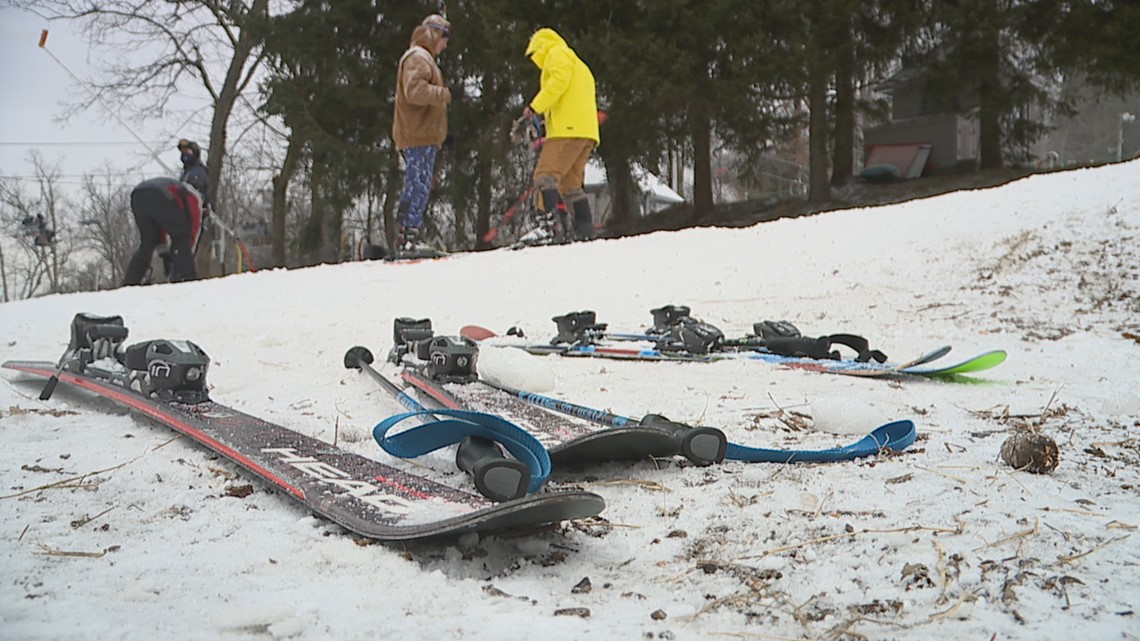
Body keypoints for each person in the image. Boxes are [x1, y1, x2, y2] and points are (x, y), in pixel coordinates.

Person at [523, 28, 600, 241]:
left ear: (539, 49)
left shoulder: (557, 54)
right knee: (570, 184)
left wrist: (534, 107)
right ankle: (583, 229)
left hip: (568, 130)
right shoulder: (576, 61)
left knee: (544, 176)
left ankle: (549, 227)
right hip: (586, 132)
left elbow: (558, 82)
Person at [392, 14, 452, 252]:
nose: (445, 45)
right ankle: (406, 237)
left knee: (420, 184)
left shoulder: (423, 58)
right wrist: (442, 94)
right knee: (417, 185)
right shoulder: (418, 57)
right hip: (417, 135)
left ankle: (409, 235)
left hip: (422, 134)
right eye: (444, 38)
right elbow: (414, 91)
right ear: (435, 34)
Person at [122, 176, 204, 286]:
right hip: (158, 193)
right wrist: (188, 248)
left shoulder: (175, 189)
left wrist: (164, 253)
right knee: (182, 237)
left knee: (148, 243)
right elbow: (193, 222)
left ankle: (130, 282)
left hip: (138, 195)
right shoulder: (193, 195)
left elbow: (159, 224)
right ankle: (184, 279)